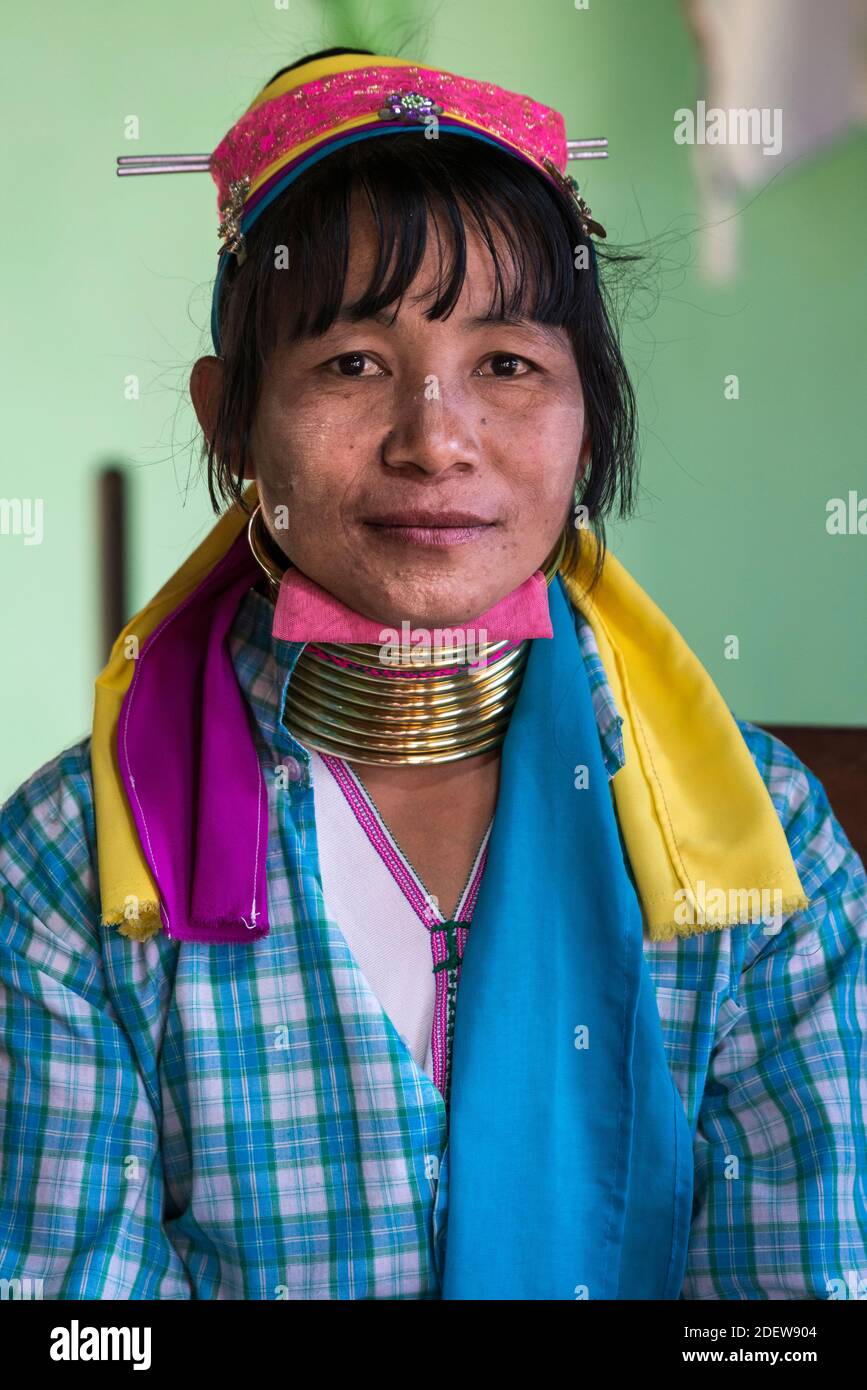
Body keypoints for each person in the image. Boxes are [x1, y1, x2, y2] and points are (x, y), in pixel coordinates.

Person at [1, 47, 865, 1302]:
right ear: (229, 419)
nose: (436, 440)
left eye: (509, 364)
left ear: (589, 413)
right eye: (352, 362)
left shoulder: (760, 848)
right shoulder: (73, 865)